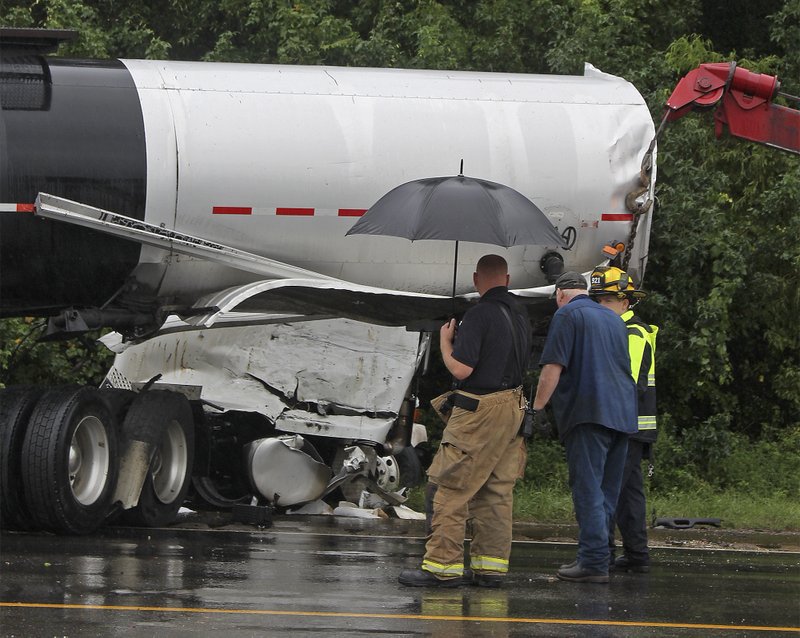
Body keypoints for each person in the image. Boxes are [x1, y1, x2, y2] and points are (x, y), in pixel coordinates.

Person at [398, 254, 530, 588]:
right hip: (513, 406)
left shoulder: (480, 313)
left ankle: (442, 567)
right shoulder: (519, 313)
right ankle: (491, 569)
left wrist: (446, 342)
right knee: (496, 491)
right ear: (508, 279)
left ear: (475, 279)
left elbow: (462, 369)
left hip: (479, 411)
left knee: (450, 486)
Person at [531, 271, 637, 583]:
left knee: (588, 489)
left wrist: (536, 410)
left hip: (589, 412)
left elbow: (553, 367)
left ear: (560, 295)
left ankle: (592, 562)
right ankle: (600, 556)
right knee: (607, 492)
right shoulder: (615, 320)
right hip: (623, 415)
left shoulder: (566, 315)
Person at [588, 266, 658, 573]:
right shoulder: (616, 330)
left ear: (625, 303)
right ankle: (636, 555)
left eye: (607, 301)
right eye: (598, 300)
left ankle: (601, 553)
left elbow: (624, 380)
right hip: (624, 424)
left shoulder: (633, 332)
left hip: (626, 424)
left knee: (609, 489)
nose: (601, 306)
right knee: (627, 492)